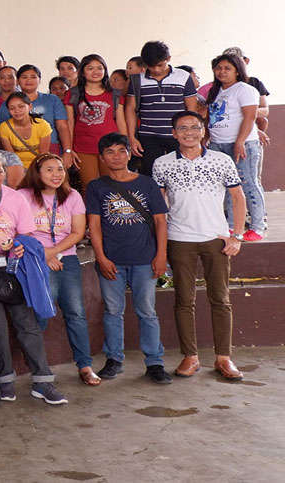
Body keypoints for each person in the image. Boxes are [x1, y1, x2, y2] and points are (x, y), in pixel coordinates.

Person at [0, 151, 66, 405]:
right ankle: (5, 380)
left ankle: (43, 381)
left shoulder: (15, 197)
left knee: (26, 322)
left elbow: (27, 234)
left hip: (12, 268)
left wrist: (19, 245)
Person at [153, 111, 246, 381]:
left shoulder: (221, 160)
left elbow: (238, 198)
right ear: (174, 133)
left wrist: (236, 236)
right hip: (179, 238)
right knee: (184, 300)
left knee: (221, 299)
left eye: (195, 127)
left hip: (216, 239)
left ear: (204, 131)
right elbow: (159, 208)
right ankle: (190, 357)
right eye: (182, 128)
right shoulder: (162, 164)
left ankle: (224, 358)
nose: (189, 132)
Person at [85, 133, 172, 384]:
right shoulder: (96, 187)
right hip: (112, 260)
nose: (116, 156)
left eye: (121, 151)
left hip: (145, 259)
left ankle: (154, 362)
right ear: (101, 157)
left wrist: (161, 255)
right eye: (109, 152)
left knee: (147, 311)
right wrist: (100, 257)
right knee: (113, 311)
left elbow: (159, 221)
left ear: (129, 153)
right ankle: (114, 360)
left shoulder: (147, 184)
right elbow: (95, 225)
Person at [17, 154, 94, 384]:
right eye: (49, 169)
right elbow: (20, 230)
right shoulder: (24, 196)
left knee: (76, 311)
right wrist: (43, 255)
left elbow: (78, 232)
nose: (56, 174)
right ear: (37, 172)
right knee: (42, 308)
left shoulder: (72, 196)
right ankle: (36, 364)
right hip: (33, 257)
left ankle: (85, 365)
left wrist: (54, 252)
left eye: (60, 169)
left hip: (66, 256)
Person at [203, 54, 265, 241]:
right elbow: (210, 119)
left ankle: (257, 227)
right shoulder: (216, 91)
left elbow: (250, 117)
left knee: (249, 184)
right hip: (217, 144)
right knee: (229, 186)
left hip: (241, 144)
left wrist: (240, 142)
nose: (222, 71)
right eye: (218, 68)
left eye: (227, 68)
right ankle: (230, 225)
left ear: (237, 70)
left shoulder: (244, 89)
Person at [126, 41, 200, 176]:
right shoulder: (137, 80)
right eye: (151, 66)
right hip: (148, 137)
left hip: (178, 136)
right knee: (150, 175)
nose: (156, 70)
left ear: (168, 59)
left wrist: (190, 135)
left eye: (160, 65)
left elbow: (191, 109)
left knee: (180, 175)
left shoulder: (183, 76)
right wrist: (131, 137)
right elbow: (130, 108)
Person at [64, 54, 128, 186]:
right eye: (90, 68)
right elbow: (69, 123)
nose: (96, 72)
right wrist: (68, 150)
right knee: (89, 187)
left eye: (100, 68)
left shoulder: (114, 94)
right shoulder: (73, 94)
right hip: (83, 147)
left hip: (112, 147)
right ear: (82, 71)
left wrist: (125, 147)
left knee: (113, 186)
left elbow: (121, 122)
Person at [0, 65, 71, 157]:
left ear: (39, 80)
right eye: (24, 77)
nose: (29, 80)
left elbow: (62, 127)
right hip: (18, 150)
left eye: (33, 77)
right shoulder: (8, 103)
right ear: (17, 81)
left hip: (51, 147)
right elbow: (3, 131)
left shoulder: (52, 99)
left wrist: (68, 151)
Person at [0, 93, 53, 168]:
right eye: (12, 108)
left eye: (21, 106)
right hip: (17, 167)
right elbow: (11, 157)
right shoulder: (4, 128)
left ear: (30, 106)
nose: (17, 111)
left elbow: (43, 155)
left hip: (38, 166)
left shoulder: (43, 125)